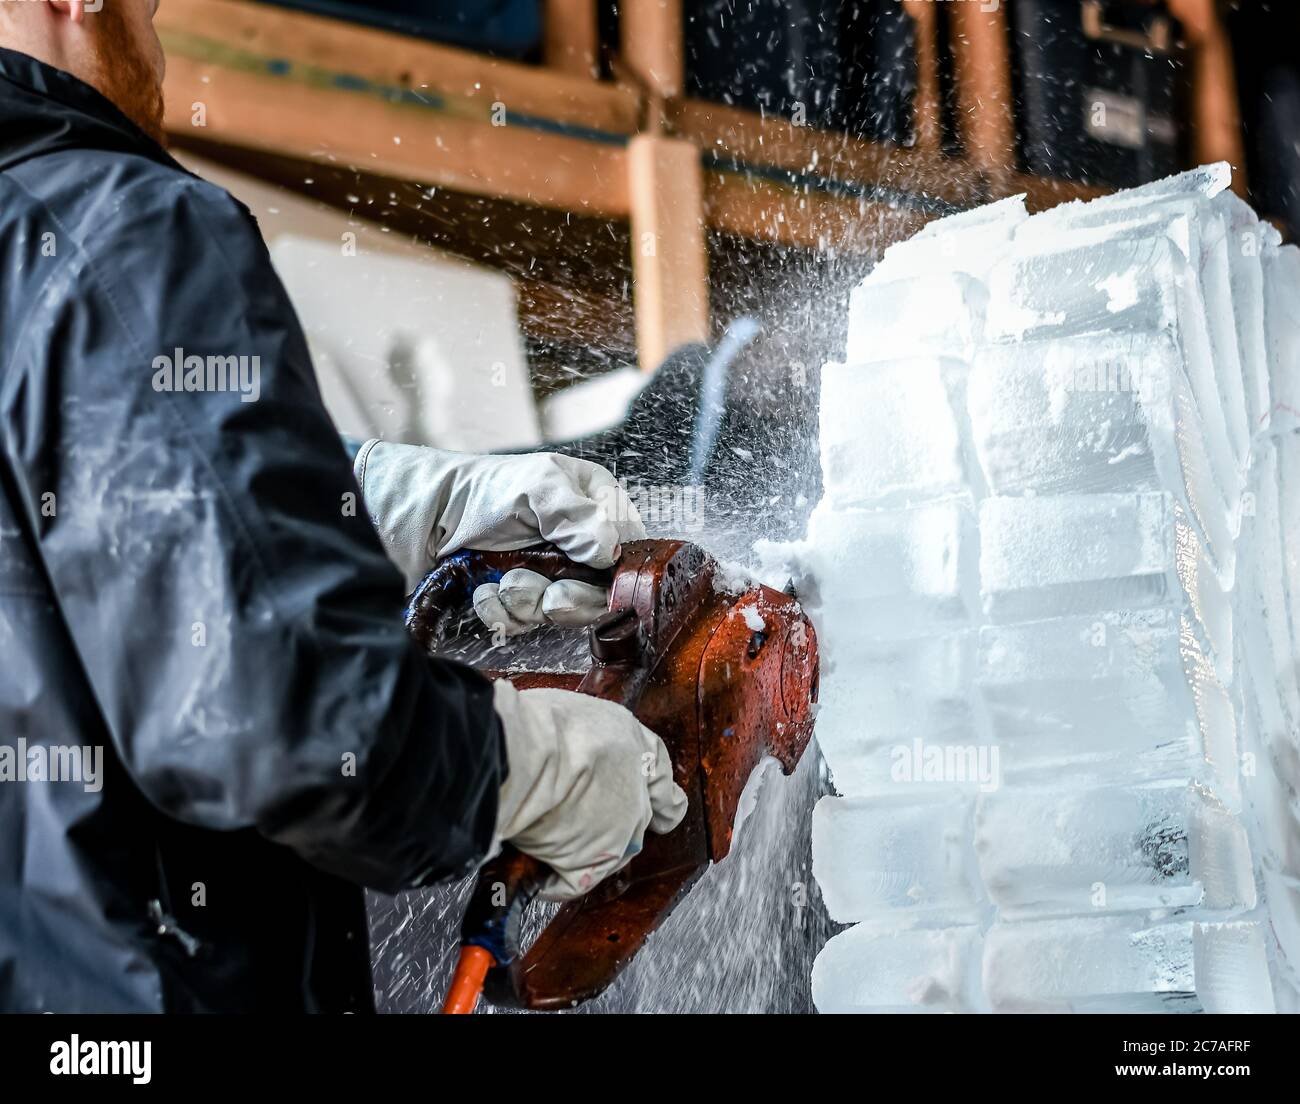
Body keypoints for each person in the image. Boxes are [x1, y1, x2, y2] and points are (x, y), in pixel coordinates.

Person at [0, 0, 686, 1012]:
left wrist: (377, 504)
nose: (153, 37)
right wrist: (528, 768)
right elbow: (285, 721)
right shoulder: (124, 225)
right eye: (147, 9)